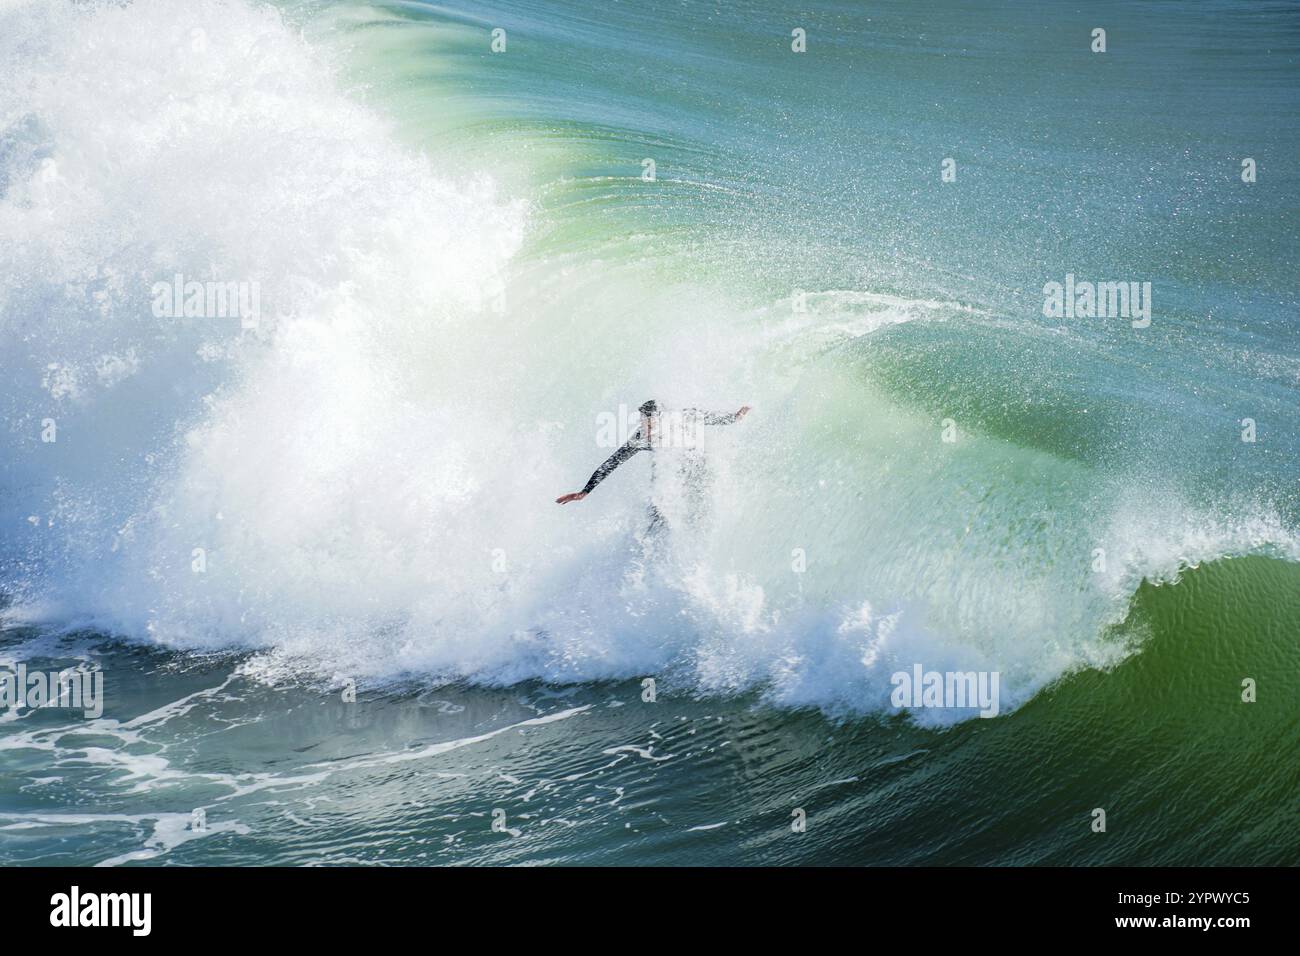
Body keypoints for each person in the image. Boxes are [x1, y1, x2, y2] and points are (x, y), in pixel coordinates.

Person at [555, 400, 751, 510]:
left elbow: (713, 419)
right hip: (676, 469)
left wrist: (736, 417)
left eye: (651, 422)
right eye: (645, 422)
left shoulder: (682, 417)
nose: (648, 428)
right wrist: (584, 492)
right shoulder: (641, 438)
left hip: (697, 461)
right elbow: (611, 463)